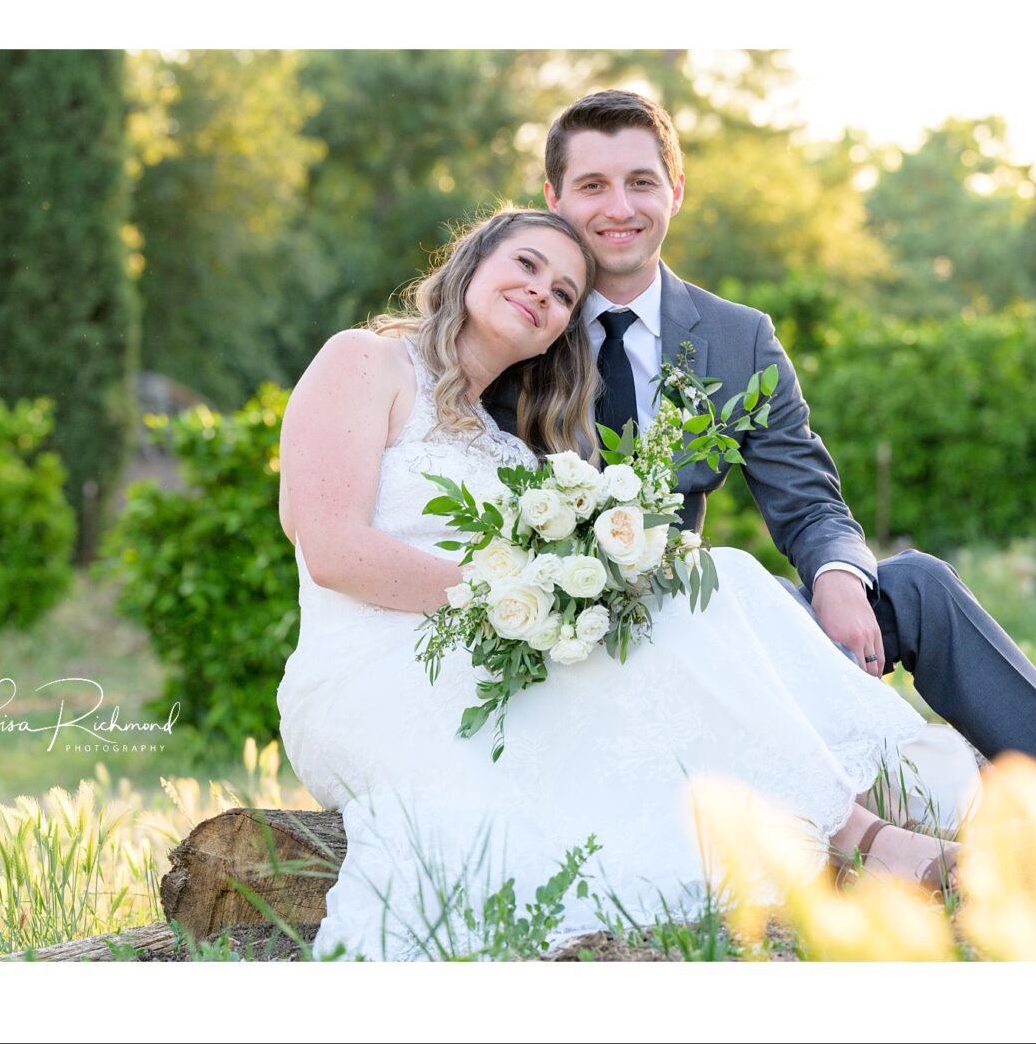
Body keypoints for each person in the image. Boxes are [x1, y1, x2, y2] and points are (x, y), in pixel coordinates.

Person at [276, 207, 982, 961]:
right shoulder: (366, 361)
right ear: (471, 263)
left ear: (558, 332)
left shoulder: (509, 443)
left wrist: (562, 601)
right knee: (663, 621)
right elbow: (332, 549)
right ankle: (869, 837)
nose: (540, 293)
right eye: (525, 265)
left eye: (561, 293)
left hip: (488, 656)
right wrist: (519, 599)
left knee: (703, 577)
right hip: (374, 676)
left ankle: (863, 825)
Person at [484, 90, 1036, 774]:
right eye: (593, 185)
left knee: (916, 582)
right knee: (754, 605)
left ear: (676, 191)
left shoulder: (737, 337)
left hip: (716, 623)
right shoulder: (524, 325)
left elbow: (807, 501)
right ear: (554, 197)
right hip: (585, 645)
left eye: (641, 183)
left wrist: (836, 572)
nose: (620, 208)